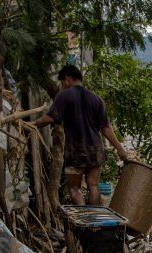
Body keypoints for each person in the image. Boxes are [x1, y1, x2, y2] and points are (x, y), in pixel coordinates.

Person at [35, 65, 128, 206]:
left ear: (67, 79)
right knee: (93, 186)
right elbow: (106, 128)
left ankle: (83, 218)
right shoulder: (97, 99)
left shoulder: (64, 96)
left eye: (62, 83)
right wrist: (119, 148)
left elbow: (50, 118)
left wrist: (32, 123)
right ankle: (94, 217)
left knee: (74, 188)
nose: (62, 86)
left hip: (75, 152)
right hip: (95, 151)